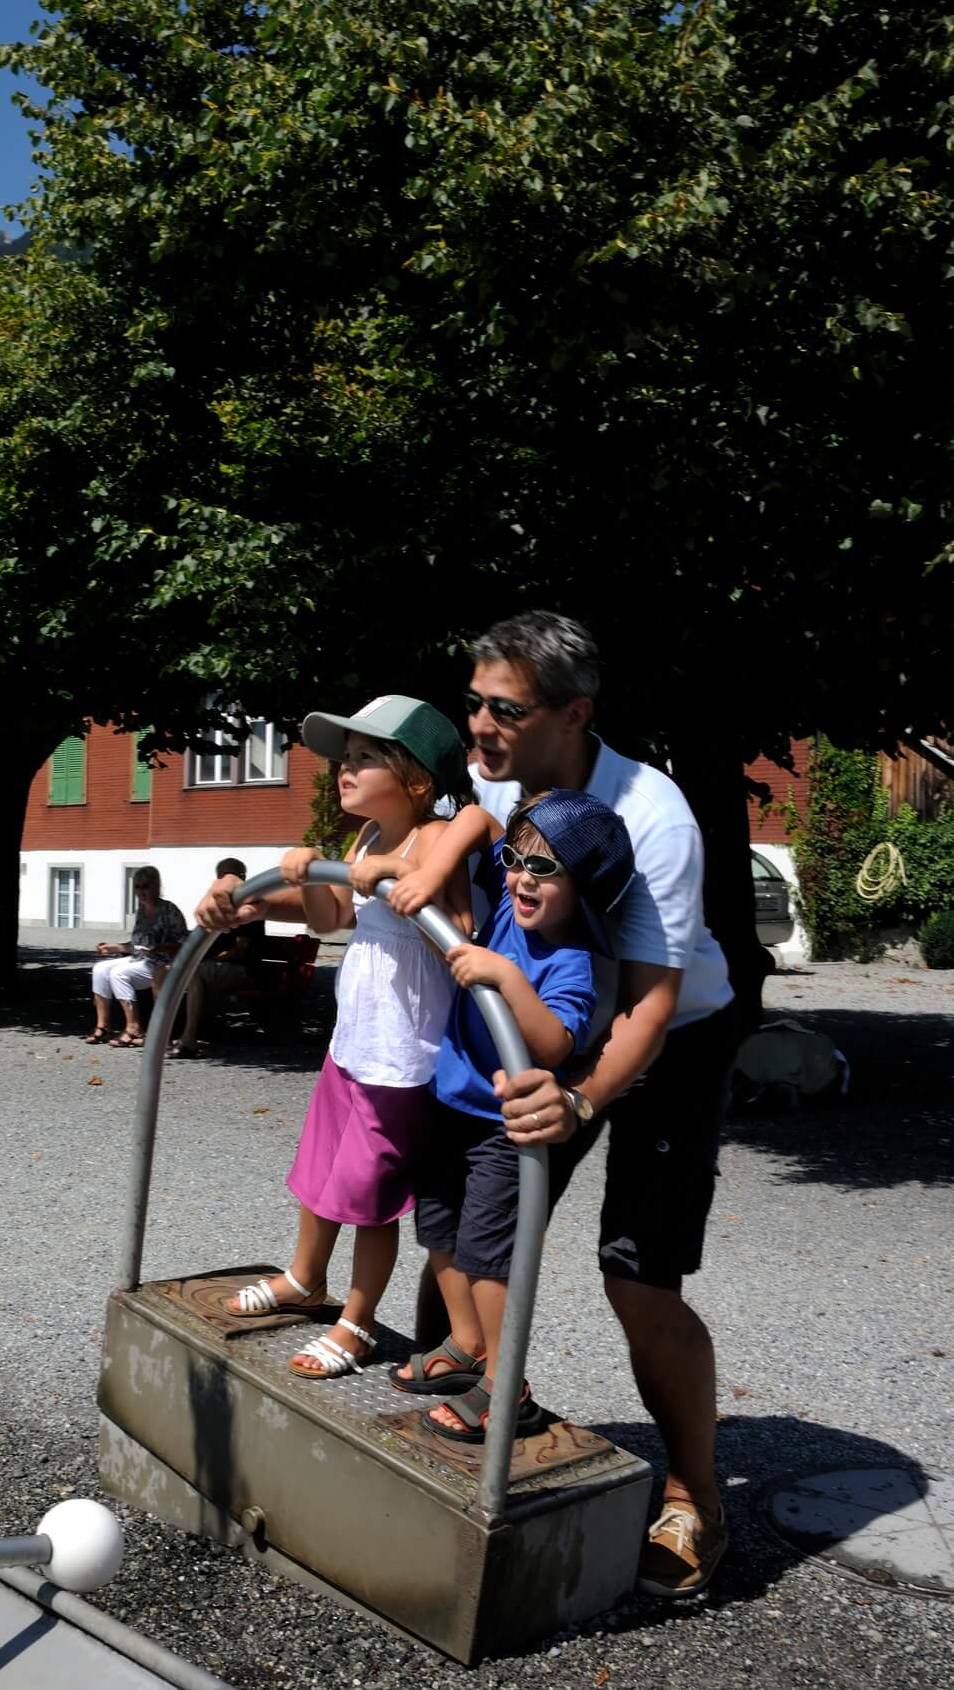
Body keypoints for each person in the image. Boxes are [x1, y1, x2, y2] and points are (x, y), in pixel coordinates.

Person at [387, 611, 742, 1600]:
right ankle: (462, 1404)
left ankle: (695, 1496)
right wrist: (438, 846)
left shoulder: (653, 815)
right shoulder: (508, 770)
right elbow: (477, 806)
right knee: (468, 1216)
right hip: (554, 1015)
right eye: (473, 703)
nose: (480, 724)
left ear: (574, 714)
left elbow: (652, 1003)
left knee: (637, 1274)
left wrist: (580, 1102)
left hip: (661, 1036)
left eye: (504, 708)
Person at [209, 696, 471, 1380]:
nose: (343, 771)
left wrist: (394, 875)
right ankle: (304, 1275)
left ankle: (356, 1320)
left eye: (363, 757)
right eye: (344, 758)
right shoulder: (366, 840)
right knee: (322, 1170)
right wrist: (306, 867)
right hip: (352, 1045)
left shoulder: (436, 839)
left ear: (415, 776)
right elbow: (332, 917)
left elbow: (460, 926)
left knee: (368, 1193)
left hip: (403, 1057)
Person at [401, 789, 631, 1446]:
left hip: (504, 1127)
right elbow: (479, 822)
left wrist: (505, 976)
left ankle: (507, 1386)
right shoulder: (506, 906)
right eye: (515, 859)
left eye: (545, 868)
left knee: (486, 1255)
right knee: (438, 1226)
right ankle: (466, 1343)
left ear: (584, 886)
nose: (522, 877)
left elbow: (557, 1042)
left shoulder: (572, 959)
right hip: (451, 1104)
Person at [175, 857, 268, 1056]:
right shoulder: (220, 905)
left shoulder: (248, 907)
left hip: (246, 970)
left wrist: (213, 960)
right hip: (223, 967)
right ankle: (169, 1031)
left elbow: (241, 949)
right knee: (169, 971)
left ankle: (188, 1038)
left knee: (195, 973)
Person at [86, 865, 185, 1049]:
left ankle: (134, 1027)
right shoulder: (141, 910)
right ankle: (103, 1026)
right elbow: (137, 945)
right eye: (137, 887)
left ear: (156, 886)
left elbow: (183, 943)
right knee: (99, 969)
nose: (141, 891)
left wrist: (159, 948)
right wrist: (114, 947)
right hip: (142, 959)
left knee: (119, 973)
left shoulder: (170, 910)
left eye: (146, 886)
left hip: (163, 962)